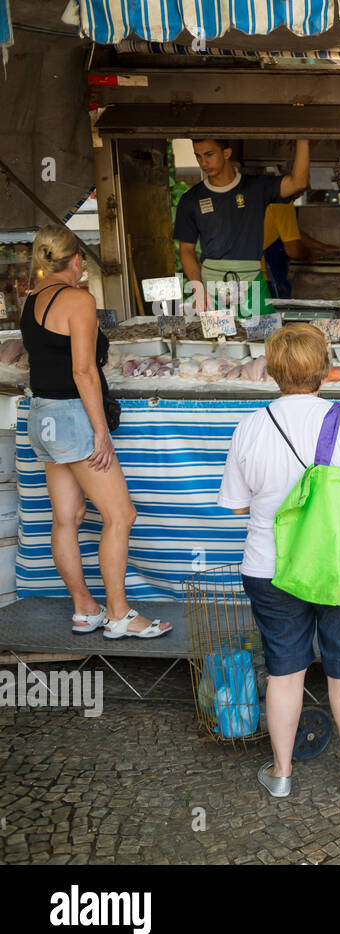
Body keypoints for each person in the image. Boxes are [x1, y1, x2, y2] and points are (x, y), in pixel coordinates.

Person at [217, 323, 340, 797]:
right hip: (335, 567)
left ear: (272, 369)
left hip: (268, 567)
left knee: (284, 669)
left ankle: (280, 773)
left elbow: (236, 503)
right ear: (324, 368)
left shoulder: (250, 425)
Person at [21, 225, 171, 639]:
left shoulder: (30, 300)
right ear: (74, 261)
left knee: (66, 519)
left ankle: (85, 609)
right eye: (82, 260)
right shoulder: (78, 300)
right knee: (120, 515)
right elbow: (83, 370)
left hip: (42, 416)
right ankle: (120, 614)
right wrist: (100, 430)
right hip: (73, 418)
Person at [174, 137, 310, 311]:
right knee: (214, 338)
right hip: (211, 286)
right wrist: (198, 289)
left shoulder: (256, 187)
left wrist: (303, 138)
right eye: (198, 156)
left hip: (252, 280)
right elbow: (186, 250)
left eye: (209, 154)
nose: (203, 162)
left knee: (264, 336)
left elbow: (299, 182)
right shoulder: (190, 199)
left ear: (227, 153)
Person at [262, 202, 340, 299]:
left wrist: (322, 247)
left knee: (253, 312)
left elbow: (289, 230)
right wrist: (309, 255)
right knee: (267, 313)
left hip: (248, 277)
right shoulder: (283, 204)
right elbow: (295, 252)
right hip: (264, 280)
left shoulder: (265, 200)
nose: (302, 192)